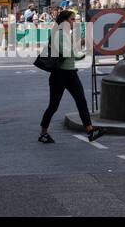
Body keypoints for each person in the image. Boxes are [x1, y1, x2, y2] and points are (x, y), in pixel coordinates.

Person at [37, 9, 102, 144]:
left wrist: (80, 46)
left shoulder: (66, 33)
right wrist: (80, 47)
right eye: (72, 19)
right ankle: (43, 133)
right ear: (64, 21)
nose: (74, 22)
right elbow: (66, 53)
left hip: (71, 73)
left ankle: (90, 130)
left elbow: (72, 52)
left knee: (81, 101)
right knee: (53, 106)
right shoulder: (59, 34)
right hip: (59, 75)